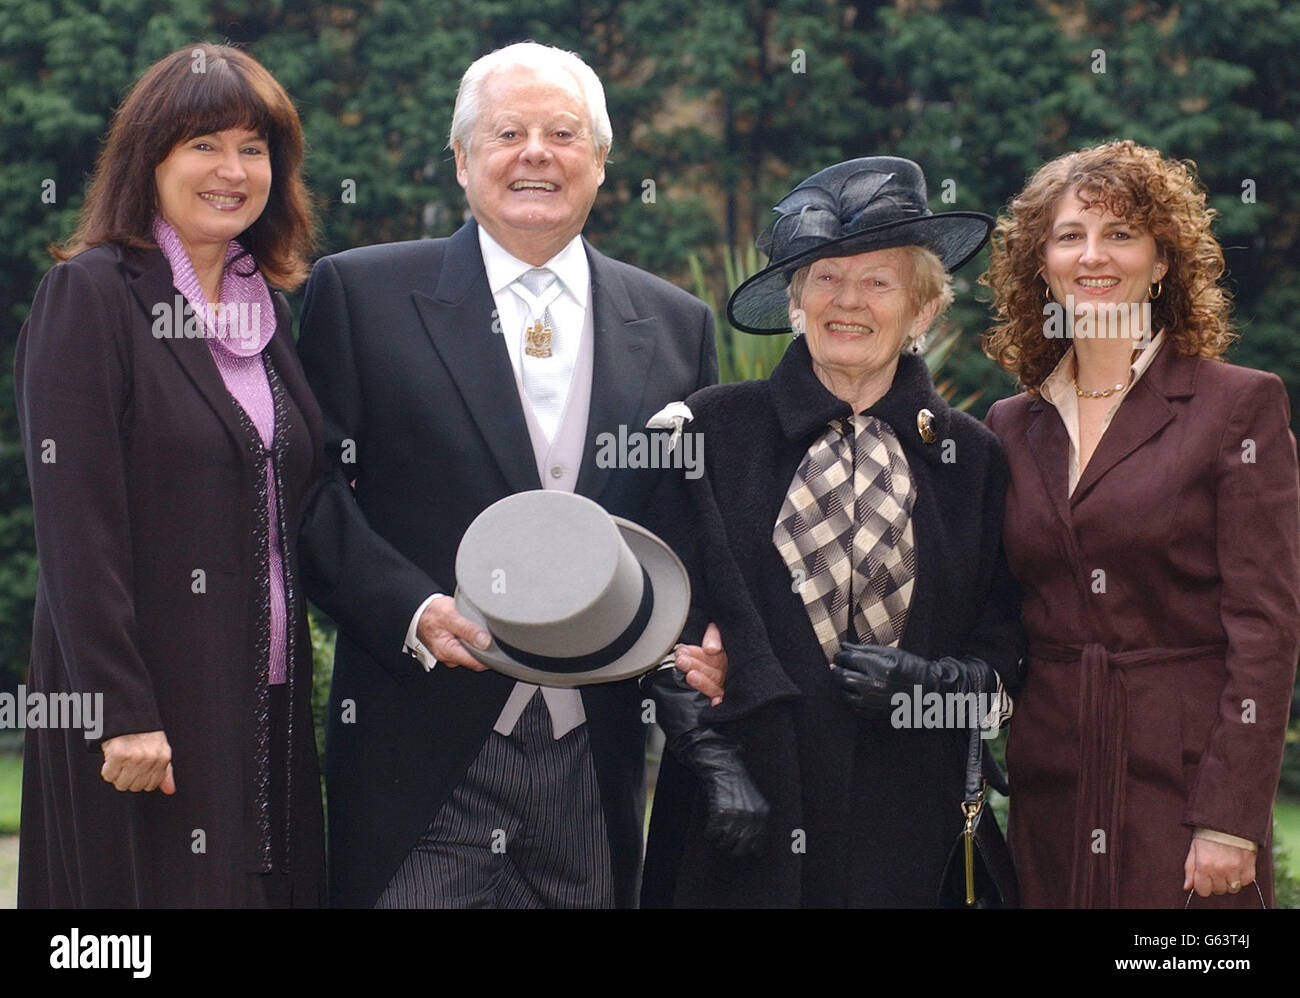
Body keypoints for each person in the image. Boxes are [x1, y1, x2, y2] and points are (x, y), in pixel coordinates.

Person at [296, 40, 724, 909]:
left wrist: (705, 641)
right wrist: (411, 611)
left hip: (595, 759)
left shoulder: (677, 324)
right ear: (462, 158)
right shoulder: (360, 294)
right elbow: (310, 496)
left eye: (563, 134)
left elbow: (691, 520)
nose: (536, 154)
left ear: (600, 161)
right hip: (419, 747)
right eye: (508, 133)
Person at [640, 158, 1025, 907]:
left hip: (909, 834)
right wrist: (714, 762)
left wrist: (927, 688)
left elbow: (1005, 657)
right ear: (796, 300)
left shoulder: (972, 460)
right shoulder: (708, 430)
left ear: (923, 311)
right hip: (739, 824)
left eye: (879, 281)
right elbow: (658, 621)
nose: (849, 301)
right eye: (825, 278)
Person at [16, 43, 326, 907]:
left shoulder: (265, 310)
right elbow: (75, 526)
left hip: (265, 696)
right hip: (148, 709)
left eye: (254, 148)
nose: (233, 170)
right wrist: (120, 712)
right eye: (204, 144)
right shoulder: (91, 295)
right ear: (148, 159)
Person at [983, 139, 1300, 908]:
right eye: (1070, 236)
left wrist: (1230, 817)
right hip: (1052, 785)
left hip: (1182, 791)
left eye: (1120, 233)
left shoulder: (1238, 406)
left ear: (1161, 262)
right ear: (1042, 265)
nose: (1093, 255)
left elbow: (1266, 627)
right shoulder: (1007, 424)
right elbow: (991, 606)